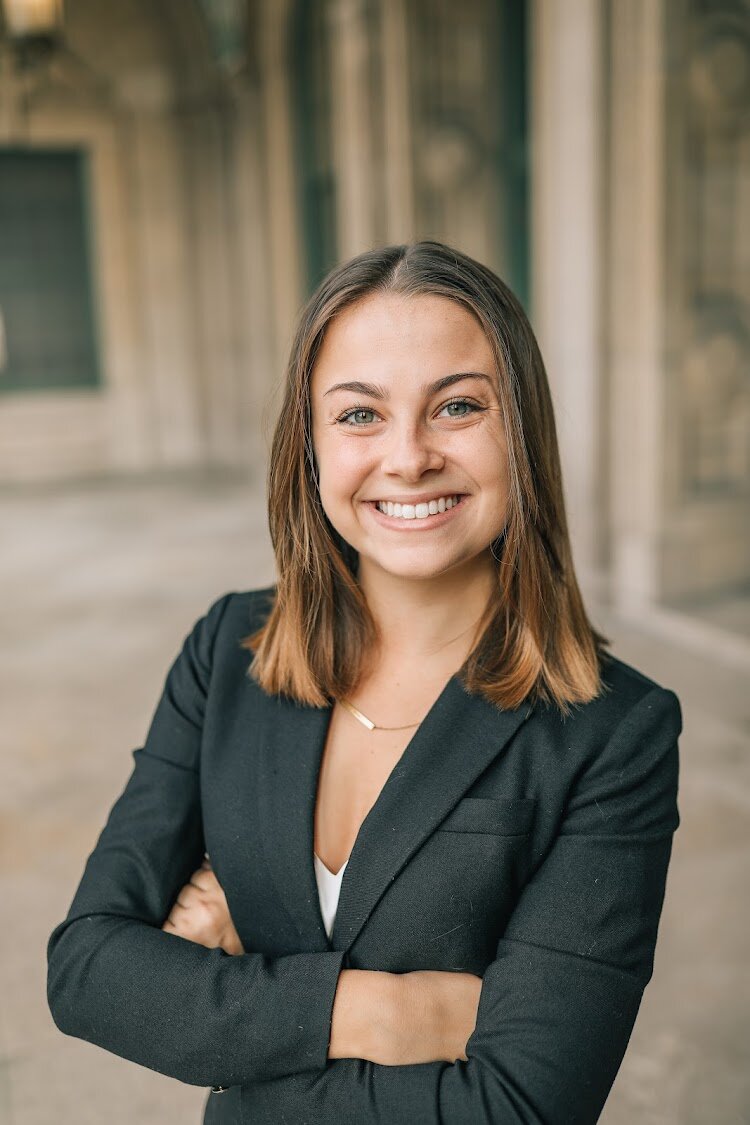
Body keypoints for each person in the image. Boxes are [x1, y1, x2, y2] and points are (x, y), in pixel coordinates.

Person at [47, 241, 682, 1124]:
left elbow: (523, 1104)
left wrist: (226, 1007)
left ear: (521, 435)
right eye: (359, 414)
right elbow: (86, 971)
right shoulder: (227, 650)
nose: (409, 457)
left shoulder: (617, 731)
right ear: (309, 447)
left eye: (457, 406)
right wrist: (391, 1012)